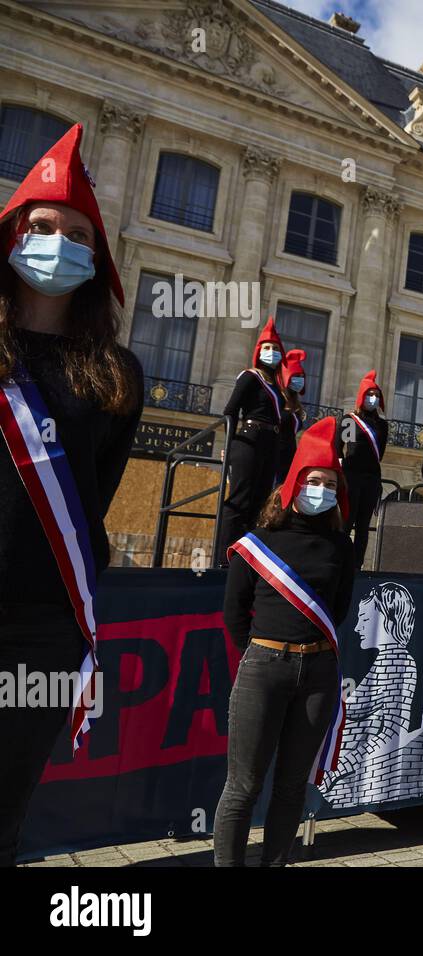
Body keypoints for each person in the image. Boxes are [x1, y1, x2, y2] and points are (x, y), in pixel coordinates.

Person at [0, 123, 143, 867]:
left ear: (95, 259)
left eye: (77, 235)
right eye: (44, 227)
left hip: (42, 631)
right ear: (14, 235)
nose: (58, 243)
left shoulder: (117, 375)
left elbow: (93, 495)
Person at [214, 417, 355, 866]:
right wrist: (263, 652)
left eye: (329, 483)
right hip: (265, 667)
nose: (321, 489)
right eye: (314, 480)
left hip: (318, 672)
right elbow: (234, 613)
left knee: (293, 785)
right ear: (294, 483)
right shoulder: (258, 542)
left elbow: (340, 607)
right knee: (243, 787)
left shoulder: (340, 545)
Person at [219, 316, 288, 557]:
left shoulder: (278, 387)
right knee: (240, 500)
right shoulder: (250, 376)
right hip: (249, 439)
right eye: (268, 348)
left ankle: (250, 556)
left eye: (276, 349)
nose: (272, 352)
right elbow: (230, 411)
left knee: (261, 502)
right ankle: (224, 556)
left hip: (270, 443)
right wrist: (229, 444)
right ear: (259, 351)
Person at [341, 370, 388, 569]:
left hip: (371, 477)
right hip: (352, 475)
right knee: (347, 522)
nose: (373, 399)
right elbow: (344, 447)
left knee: (363, 526)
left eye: (376, 395)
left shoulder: (382, 425)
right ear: (362, 396)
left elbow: (381, 452)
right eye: (370, 395)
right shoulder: (350, 420)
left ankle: (357, 564)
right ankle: (340, 560)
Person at [274, 349, 307, 485]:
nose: (300, 380)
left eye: (301, 376)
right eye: (296, 376)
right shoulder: (277, 399)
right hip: (275, 456)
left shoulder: (295, 405)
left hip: (289, 458)